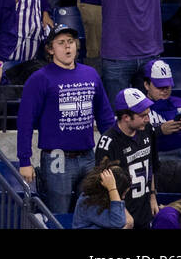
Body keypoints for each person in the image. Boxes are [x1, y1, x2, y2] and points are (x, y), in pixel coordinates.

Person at [17, 24, 117, 215]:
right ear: (50, 49)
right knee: (59, 211)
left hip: (88, 155)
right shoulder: (39, 79)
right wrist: (24, 160)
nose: (67, 47)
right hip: (57, 156)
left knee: (90, 209)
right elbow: (25, 121)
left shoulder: (91, 74)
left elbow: (105, 117)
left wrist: (111, 150)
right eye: (61, 43)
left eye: (70, 42)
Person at [96, 87, 159, 228]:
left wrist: (153, 196)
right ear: (126, 117)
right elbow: (105, 184)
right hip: (124, 214)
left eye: (148, 114)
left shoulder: (148, 130)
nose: (147, 119)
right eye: (143, 115)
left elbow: (152, 165)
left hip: (144, 208)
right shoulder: (108, 143)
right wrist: (122, 211)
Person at [72, 164, 134, 229]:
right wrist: (112, 188)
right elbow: (118, 222)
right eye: (123, 193)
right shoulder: (89, 201)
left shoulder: (104, 196)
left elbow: (129, 220)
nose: (123, 197)